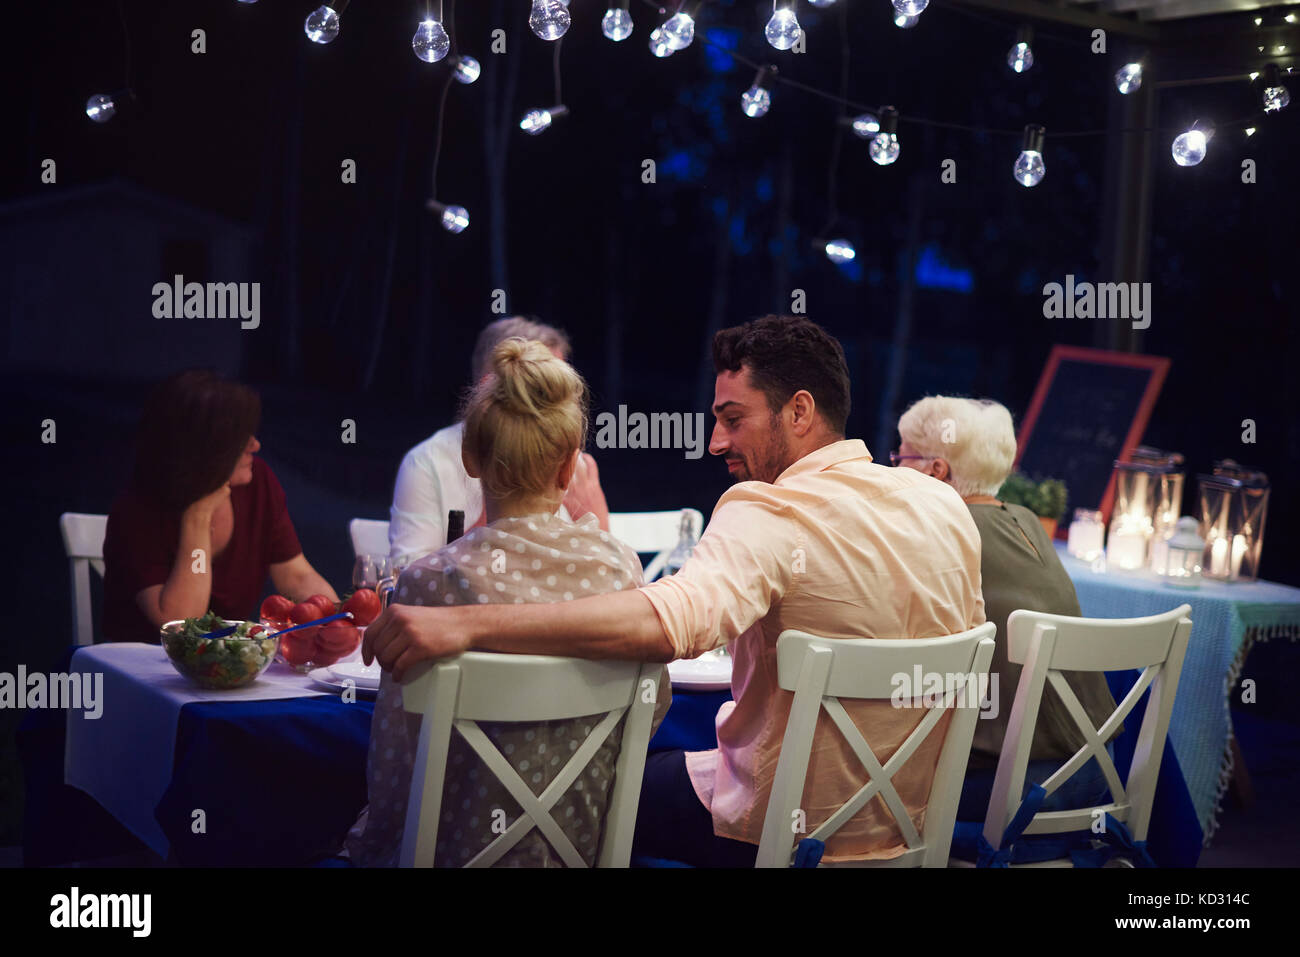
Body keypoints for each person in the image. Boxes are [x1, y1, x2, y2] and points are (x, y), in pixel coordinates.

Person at [363, 315, 986, 866]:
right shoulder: (943, 504)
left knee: (604, 790)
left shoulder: (770, 508)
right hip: (907, 833)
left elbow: (668, 625)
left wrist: (467, 624)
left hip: (780, 838)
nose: (716, 443)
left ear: (800, 412)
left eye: (732, 419)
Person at [345, 339, 669, 867]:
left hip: (454, 850)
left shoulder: (430, 585)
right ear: (570, 470)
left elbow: (397, 761)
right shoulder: (619, 571)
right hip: (577, 850)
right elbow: (650, 712)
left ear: (469, 459)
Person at [895, 395, 1120, 822]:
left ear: (934, 470)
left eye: (900, 456)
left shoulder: (940, 531)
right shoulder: (1027, 520)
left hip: (1012, 792)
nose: (892, 470)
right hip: (1100, 774)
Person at [102, 370, 337, 643]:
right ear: (205, 447)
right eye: (239, 437)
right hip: (141, 672)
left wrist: (338, 621)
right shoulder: (138, 509)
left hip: (223, 670)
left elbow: (296, 576)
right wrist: (199, 514)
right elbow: (182, 624)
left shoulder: (258, 483)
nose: (255, 444)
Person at [388, 316, 610, 563]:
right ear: (489, 389)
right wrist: (499, 517)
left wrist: (597, 523)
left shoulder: (573, 461)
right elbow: (406, 580)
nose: (560, 407)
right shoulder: (427, 462)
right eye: (542, 390)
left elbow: (609, 579)